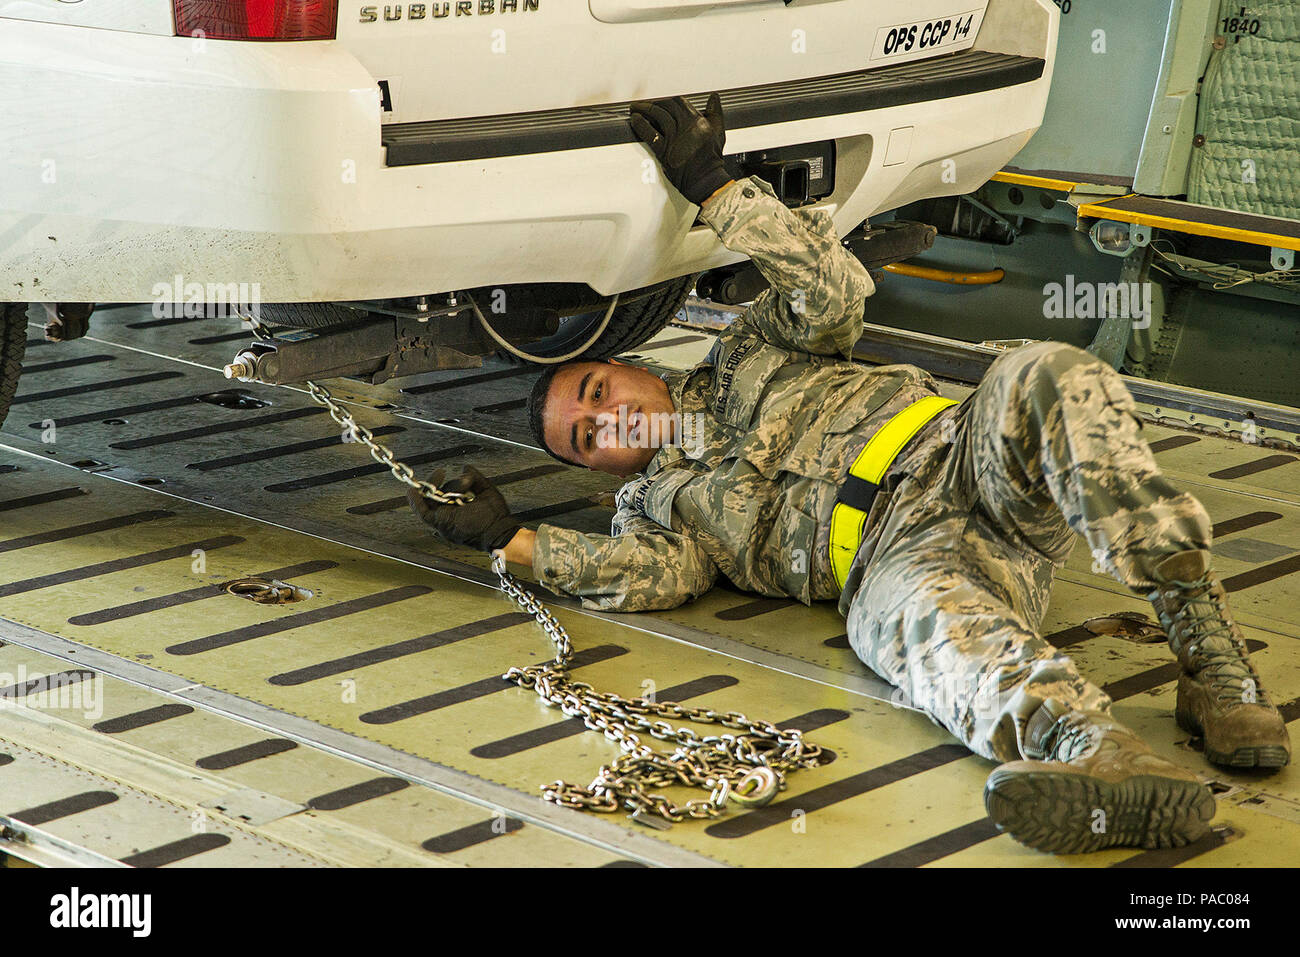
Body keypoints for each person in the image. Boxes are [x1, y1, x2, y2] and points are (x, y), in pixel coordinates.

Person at [409, 94, 1290, 854]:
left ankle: (1210, 663)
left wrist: (718, 190)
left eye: (596, 393)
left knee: (1049, 371)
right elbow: (649, 579)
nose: (607, 420)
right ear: (597, 468)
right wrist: (511, 539)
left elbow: (834, 291)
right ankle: (1099, 758)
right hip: (895, 559)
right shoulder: (656, 511)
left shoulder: (750, 346)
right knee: (912, 630)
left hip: (963, 455)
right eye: (585, 437)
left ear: (631, 364)